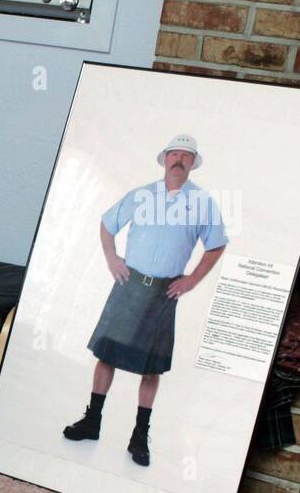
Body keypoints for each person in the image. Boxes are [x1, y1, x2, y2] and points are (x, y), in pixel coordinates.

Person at [63, 134, 227, 467]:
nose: (179, 159)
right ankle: (92, 422)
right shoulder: (140, 195)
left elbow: (217, 244)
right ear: (164, 159)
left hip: (164, 292)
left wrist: (192, 280)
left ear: (193, 163)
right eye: (174, 154)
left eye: (186, 155)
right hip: (129, 283)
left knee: (151, 369)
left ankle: (139, 437)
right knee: (106, 355)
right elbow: (107, 225)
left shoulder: (204, 203)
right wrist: (112, 259)